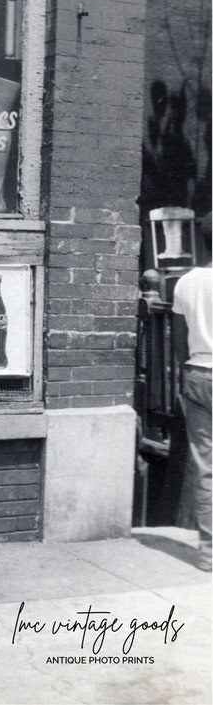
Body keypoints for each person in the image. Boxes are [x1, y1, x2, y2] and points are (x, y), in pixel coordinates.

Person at [172, 212, 212, 572]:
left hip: (198, 373)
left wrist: (187, 371)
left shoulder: (186, 283)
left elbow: (178, 339)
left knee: (206, 466)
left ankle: (209, 554)